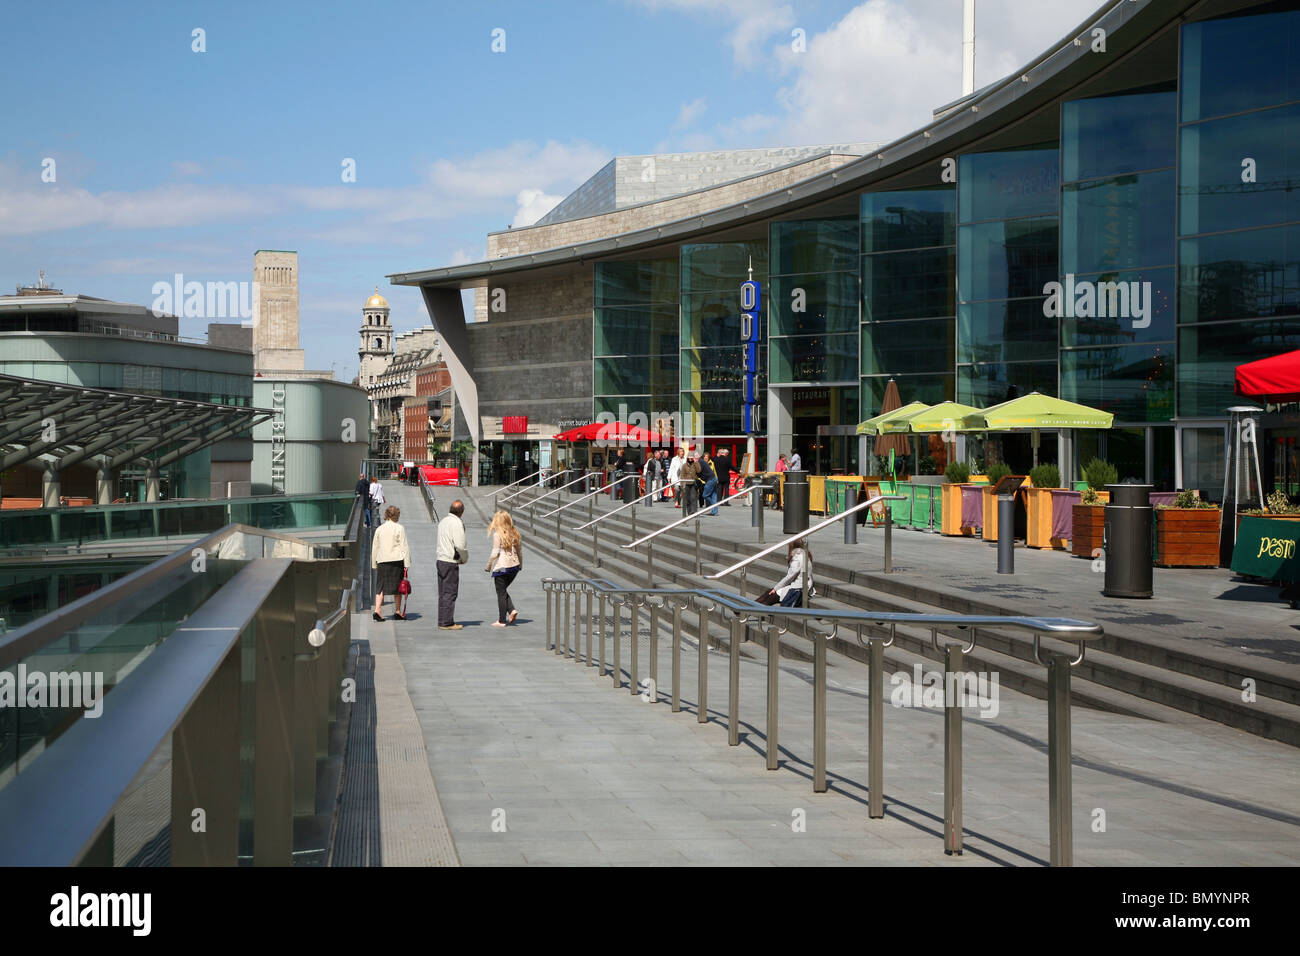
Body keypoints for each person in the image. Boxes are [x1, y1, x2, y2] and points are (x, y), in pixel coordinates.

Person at [370, 505, 411, 622]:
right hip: (396, 560)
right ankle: (398, 611)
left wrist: (374, 564)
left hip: (382, 560)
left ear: (386, 515)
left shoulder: (379, 529)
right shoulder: (399, 528)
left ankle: (377, 610)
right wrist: (406, 563)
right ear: (396, 515)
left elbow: (375, 548)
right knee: (398, 586)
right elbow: (404, 546)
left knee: (380, 586)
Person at [485, 510, 523, 627]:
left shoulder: (498, 534)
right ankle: (512, 610)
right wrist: (520, 564)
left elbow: (495, 552)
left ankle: (502, 620)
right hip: (514, 566)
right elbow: (519, 551)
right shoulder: (515, 532)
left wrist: (489, 565)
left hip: (502, 567)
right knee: (503, 590)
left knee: (500, 593)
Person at [436, 500, 469, 630]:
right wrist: (464, 558)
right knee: (450, 592)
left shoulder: (443, 521)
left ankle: (442, 620)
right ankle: (447, 622)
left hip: (441, 559)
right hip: (450, 561)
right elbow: (460, 545)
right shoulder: (457, 523)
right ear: (461, 512)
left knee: (443, 592)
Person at [760, 541, 813, 608]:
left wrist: (776, 588)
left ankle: (747, 612)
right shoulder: (804, 554)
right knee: (768, 593)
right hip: (800, 585)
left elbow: (790, 577)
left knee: (771, 596)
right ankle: (746, 611)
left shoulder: (798, 558)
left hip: (798, 587)